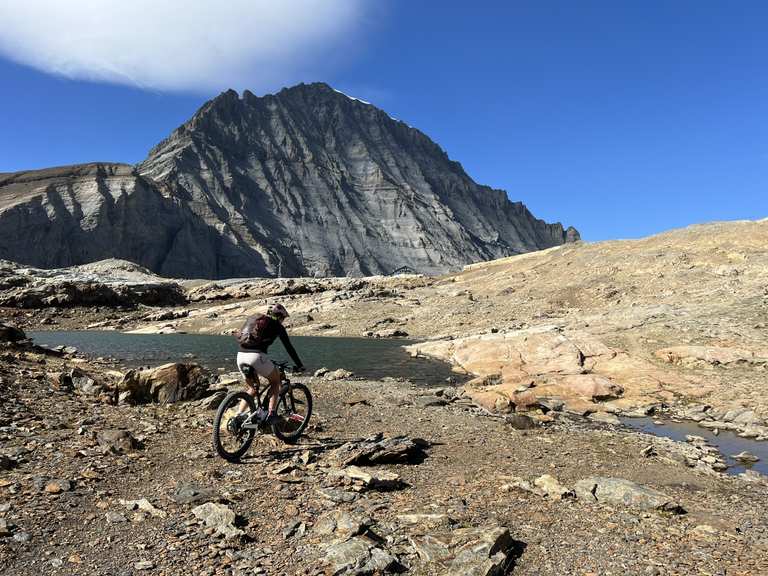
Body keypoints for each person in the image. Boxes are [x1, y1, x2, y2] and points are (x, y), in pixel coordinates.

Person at [234, 304, 304, 425]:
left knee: (252, 388)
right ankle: (271, 414)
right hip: (256, 357)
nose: (283, 321)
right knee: (275, 381)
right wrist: (300, 365)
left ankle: (238, 417)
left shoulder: (257, 322)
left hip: (240, 355)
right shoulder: (278, 327)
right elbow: (289, 348)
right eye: (283, 318)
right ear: (280, 317)